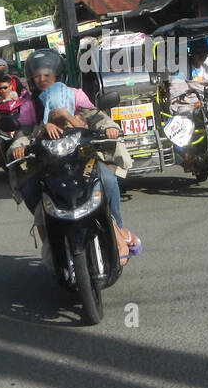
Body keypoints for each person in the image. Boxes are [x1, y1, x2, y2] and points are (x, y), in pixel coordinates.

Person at [9, 49, 141, 265]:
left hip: (82, 158)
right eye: (37, 76)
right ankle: (51, 238)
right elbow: (22, 132)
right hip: (46, 163)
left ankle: (116, 225)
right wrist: (20, 146)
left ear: (57, 75)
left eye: (47, 75)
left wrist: (109, 128)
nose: (42, 80)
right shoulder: (29, 104)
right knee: (29, 188)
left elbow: (97, 116)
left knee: (107, 181)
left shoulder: (75, 94)